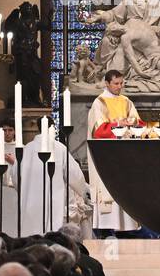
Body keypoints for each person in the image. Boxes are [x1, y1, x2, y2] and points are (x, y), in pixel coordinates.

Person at [88, 70, 141, 233]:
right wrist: (120, 124)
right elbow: (99, 130)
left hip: (125, 154)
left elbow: (138, 123)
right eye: (116, 83)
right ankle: (107, 228)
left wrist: (130, 124)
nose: (119, 86)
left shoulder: (126, 101)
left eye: (121, 83)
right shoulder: (99, 103)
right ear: (107, 84)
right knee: (109, 188)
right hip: (108, 155)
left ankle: (127, 228)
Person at [17, 131, 88, 237]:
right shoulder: (59, 148)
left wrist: (23, 188)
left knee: (32, 234)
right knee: (53, 233)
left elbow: (15, 175)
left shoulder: (26, 148)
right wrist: (84, 192)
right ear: (52, 129)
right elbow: (74, 175)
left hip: (31, 201)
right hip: (54, 201)